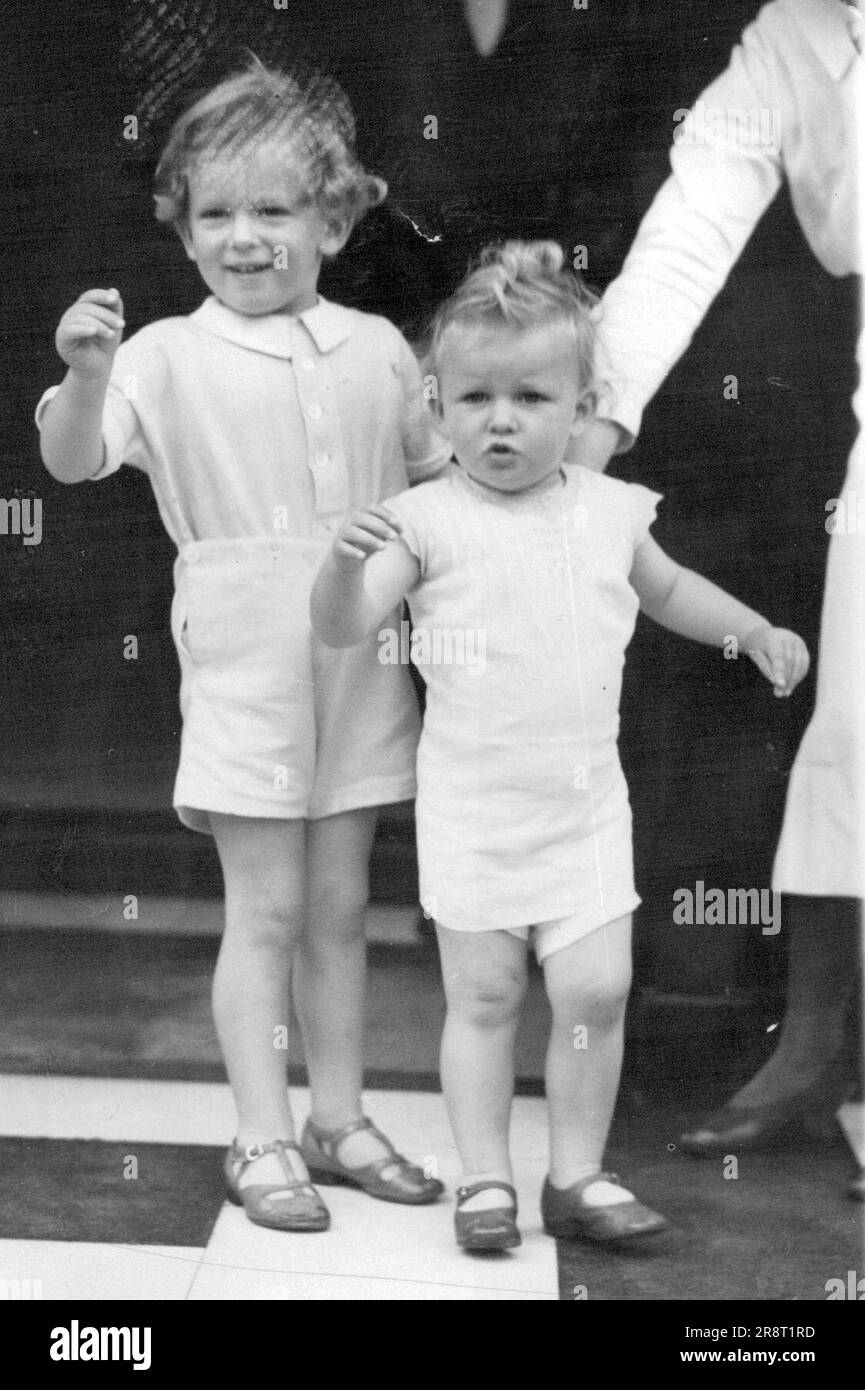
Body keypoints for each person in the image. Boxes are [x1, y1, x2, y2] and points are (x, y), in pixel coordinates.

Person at [310, 241, 810, 1250]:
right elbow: (340, 628)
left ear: (582, 409)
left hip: (582, 805)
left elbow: (667, 591)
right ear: (436, 409)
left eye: (531, 398)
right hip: (474, 808)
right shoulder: (422, 521)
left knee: (594, 989)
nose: (501, 419)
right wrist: (335, 567)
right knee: (485, 995)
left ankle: (576, 1171)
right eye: (476, 398)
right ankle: (486, 1178)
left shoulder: (611, 511)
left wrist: (750, 629)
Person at [36, 61, 448, 1231]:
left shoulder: (375, 348)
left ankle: (341, 1114)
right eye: (215, 213)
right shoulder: (160, 355)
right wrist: (83, 372)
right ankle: (261, 1132)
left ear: (336, 215)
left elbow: (438, 484)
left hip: (364, 649)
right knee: (262, 910)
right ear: (179, 225)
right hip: (245, 653)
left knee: (339, 905)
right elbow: (72, 460)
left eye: (274, 211)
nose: (245, 237)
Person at [571, 0, 864, 1190]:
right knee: (847, 738)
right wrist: (593, 426)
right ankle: (812, 1052)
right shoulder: (792, 30)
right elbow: (696, 215)